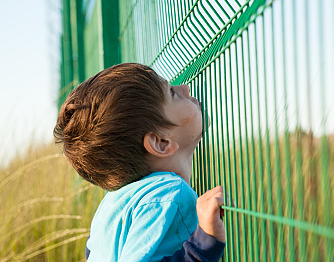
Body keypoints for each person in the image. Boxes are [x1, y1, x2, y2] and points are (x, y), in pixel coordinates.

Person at [53, 63, 226, 261]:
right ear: (160, 142)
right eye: (172, 93)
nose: (185, 88)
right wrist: (204, 244)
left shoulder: (112, 204)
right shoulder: (169, 194)